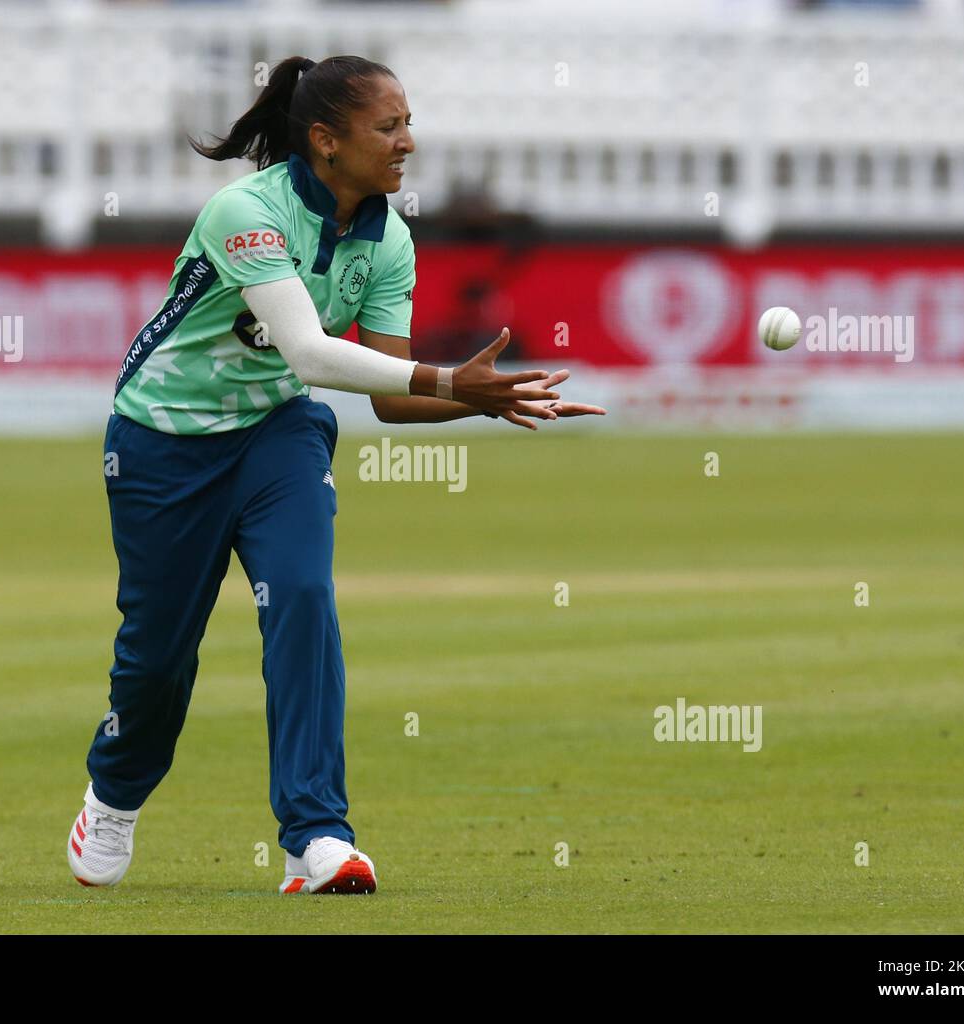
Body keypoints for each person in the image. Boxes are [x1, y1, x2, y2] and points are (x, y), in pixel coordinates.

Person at [66, 54, 605, 896]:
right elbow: (313, 352)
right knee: (157, 661)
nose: (408, 143)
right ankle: (115, 794)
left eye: (407, 122)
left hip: (279, 437)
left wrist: (481, 402)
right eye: (388, 127)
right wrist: (452, 380)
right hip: (161, 440)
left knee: (306, 600)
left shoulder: (388, 237)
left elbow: (386, 395)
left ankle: (317, 836)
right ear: (324, 140)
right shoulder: (245, 211)